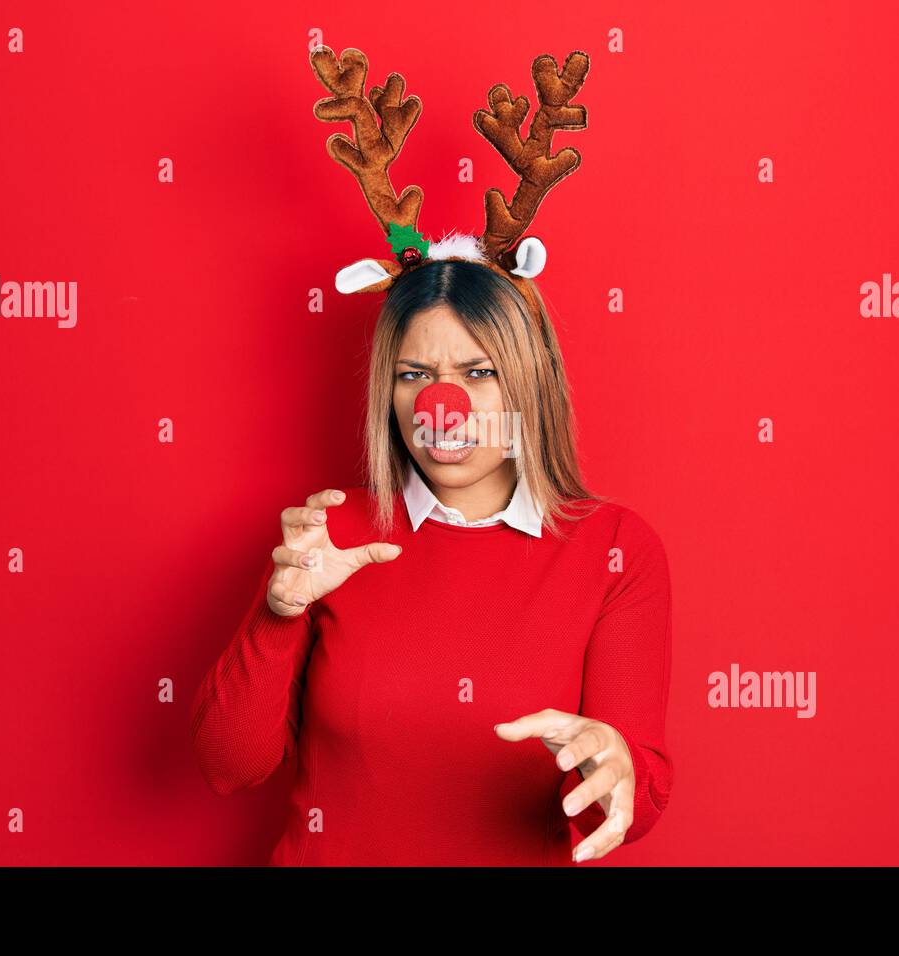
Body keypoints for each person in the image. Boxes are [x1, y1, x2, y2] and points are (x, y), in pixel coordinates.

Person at [188, 45, 673, 865]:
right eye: (415, 374)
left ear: (528, 383)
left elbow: (628, 804)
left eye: (477, 373)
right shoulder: (332, 535)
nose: (441, 405)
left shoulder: (617, 550)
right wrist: (279, 615)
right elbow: (227, 767)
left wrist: (617, 763)